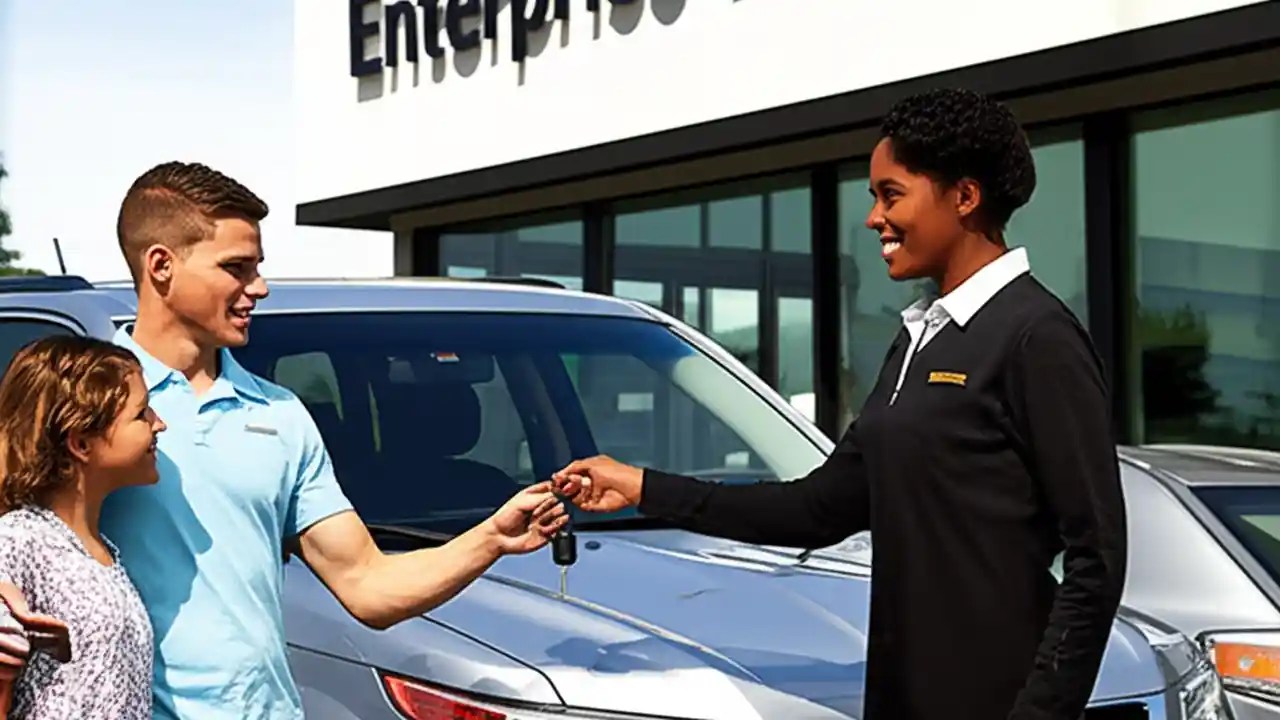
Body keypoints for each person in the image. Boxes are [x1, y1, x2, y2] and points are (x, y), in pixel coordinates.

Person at [553, 88, 1127, 720]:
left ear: (965, 197)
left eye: (891, 195)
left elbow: (1097, 559)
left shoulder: (1038, 337)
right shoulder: (918, 340)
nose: (874, 218)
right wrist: (643, 487)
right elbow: (816, 510)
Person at [64, 161, 569, 719]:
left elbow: (367, 585)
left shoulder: (280, 414)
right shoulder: (78, 404)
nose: (258, 287)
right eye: (236, 268)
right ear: (161, 266)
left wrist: (491, 538)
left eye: (257, 267)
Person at [0, 336, 167, 719]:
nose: (159, 424)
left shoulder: (103, 552)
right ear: (81, 444)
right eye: (141, 414)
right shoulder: (20, 539)